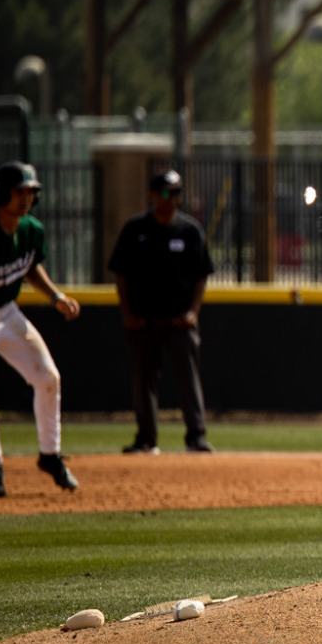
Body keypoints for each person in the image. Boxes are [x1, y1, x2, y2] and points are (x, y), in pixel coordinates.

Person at [0, 162, 81, 498]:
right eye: (19, 191)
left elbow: (29, 267)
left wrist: (55, 296)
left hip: (8, 314)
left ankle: (50, 456)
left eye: (30, 192)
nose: (26, 198)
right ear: (1, 193)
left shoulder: (32, 230)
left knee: (48, 377)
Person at [108, 169, 215, 454]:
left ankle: (197, 436)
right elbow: (121, 274)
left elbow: (201, 275)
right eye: (167, 193)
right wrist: (127, 313)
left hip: (179, 320)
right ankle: (146, 439)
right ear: (153, 195)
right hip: (144, 319)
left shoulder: (190, 230)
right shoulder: (136, 229)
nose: (172, 199)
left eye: (177, 193)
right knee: (143, 382)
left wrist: (193, 312)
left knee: (188, 379)